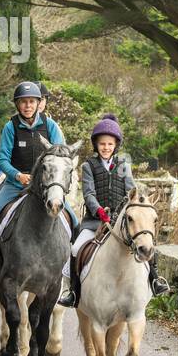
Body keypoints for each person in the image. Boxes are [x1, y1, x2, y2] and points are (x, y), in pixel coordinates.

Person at [58, 115, 167, 307]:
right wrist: (98, 210)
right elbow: (89, 193)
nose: (106, 147)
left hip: (121, 221)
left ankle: (156, 280)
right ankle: (73, 292)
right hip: (94, 220)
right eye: (102, 144)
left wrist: (137, 202)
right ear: (96, 145)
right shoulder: (88, 166)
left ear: (115, 145)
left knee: (145, 241)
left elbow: (130, 189)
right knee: (75, 248)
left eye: (109, 144)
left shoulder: (123, 165)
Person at [0, 81, 76, 255]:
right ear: (17, 104)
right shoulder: (11, 127)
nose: (28, 106)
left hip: (47, 187)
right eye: (23, 102)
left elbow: (62, 158)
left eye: (32, 101)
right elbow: (2, 160)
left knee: (74, 220)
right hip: (15, 185)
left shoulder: (51, 126)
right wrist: (18, 176)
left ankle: (73, 264)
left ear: (39, 103)